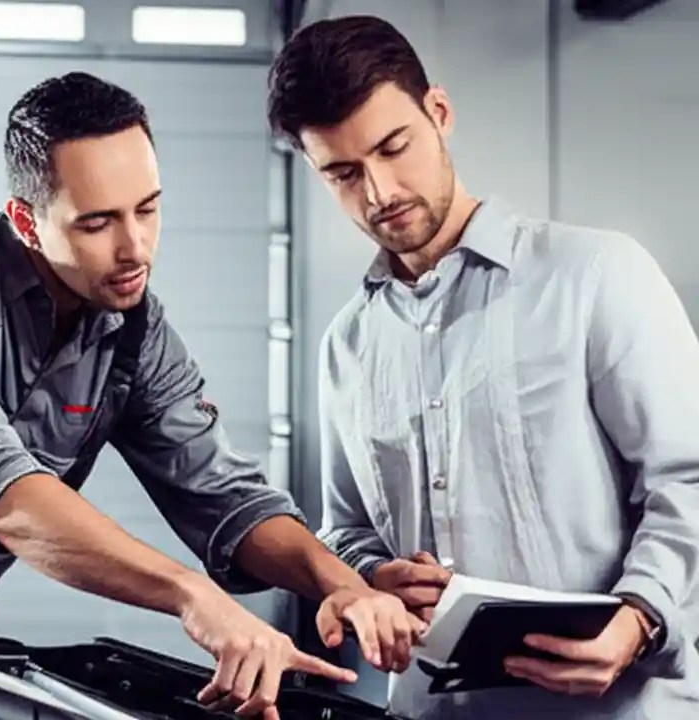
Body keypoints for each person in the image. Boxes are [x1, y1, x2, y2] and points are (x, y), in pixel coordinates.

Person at [0, 71, 423, 718]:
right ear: (26, 219)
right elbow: (5, 498)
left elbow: (224, 496)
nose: (135, 249)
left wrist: (343, 584)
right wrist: (190, 596)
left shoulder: (135, 329)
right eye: (97, 223)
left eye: (148, 210)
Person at [266, 14, 699, 720]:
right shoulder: (345, 345)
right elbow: (345, 528)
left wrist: (641, 615)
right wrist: (375, 575)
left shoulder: (596, 274)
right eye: (342, 173)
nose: (378, 192)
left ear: (439, 112)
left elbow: (688, 476)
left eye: (392, 148)